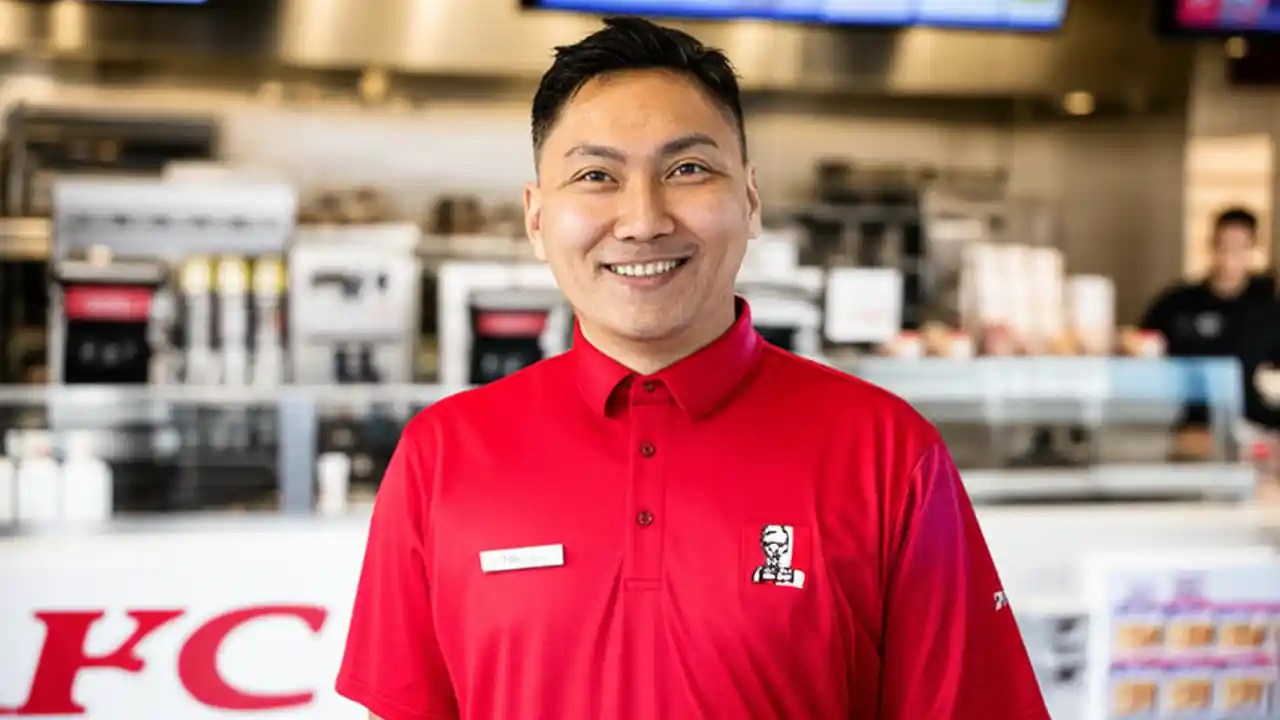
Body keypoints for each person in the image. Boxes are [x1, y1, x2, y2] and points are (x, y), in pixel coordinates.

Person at [336, 17, 1049, 720]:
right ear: (536, 217)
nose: (642, 218)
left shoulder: (889, 455)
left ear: (749, 199)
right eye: (595, 175)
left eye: (687, 169)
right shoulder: (442, 456)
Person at [1137, 208, 1278, 445]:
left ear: (1252, 250)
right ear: (1211, 245)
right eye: (1223, 246)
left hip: (1259, 426)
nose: (1229, 257)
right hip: (1193, 426)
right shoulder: (1178, 303)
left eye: (1238, 248)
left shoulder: (1269, 308)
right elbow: (1143, 344)